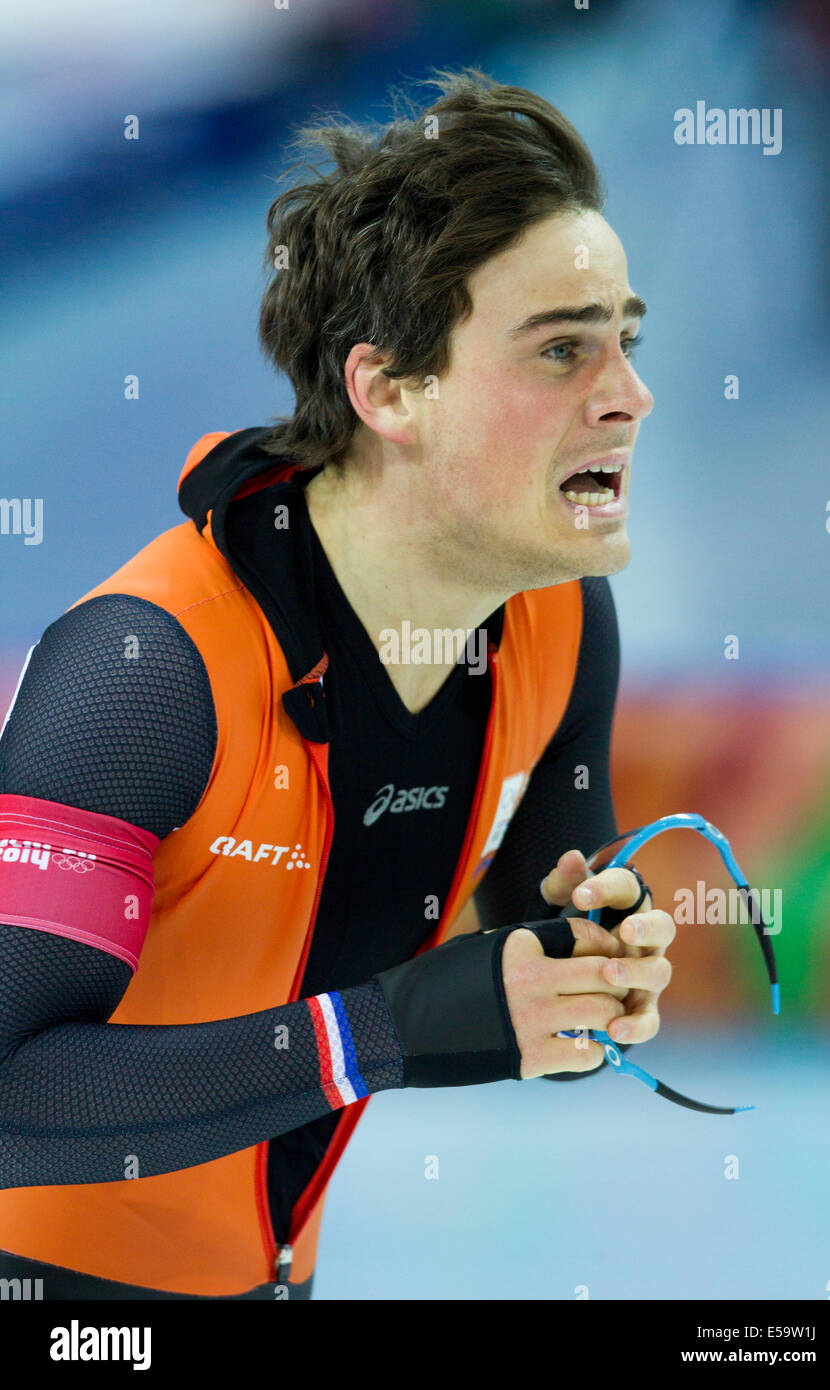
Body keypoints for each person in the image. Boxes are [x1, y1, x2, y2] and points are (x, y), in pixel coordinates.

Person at [0, 68, 674, 1300]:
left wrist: (590, 979)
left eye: (626, 339)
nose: (629, 396)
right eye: (562, 349)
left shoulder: (557, 620)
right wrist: (383, 1032)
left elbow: (537, 1007)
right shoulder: (146, 673)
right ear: (387, 391)